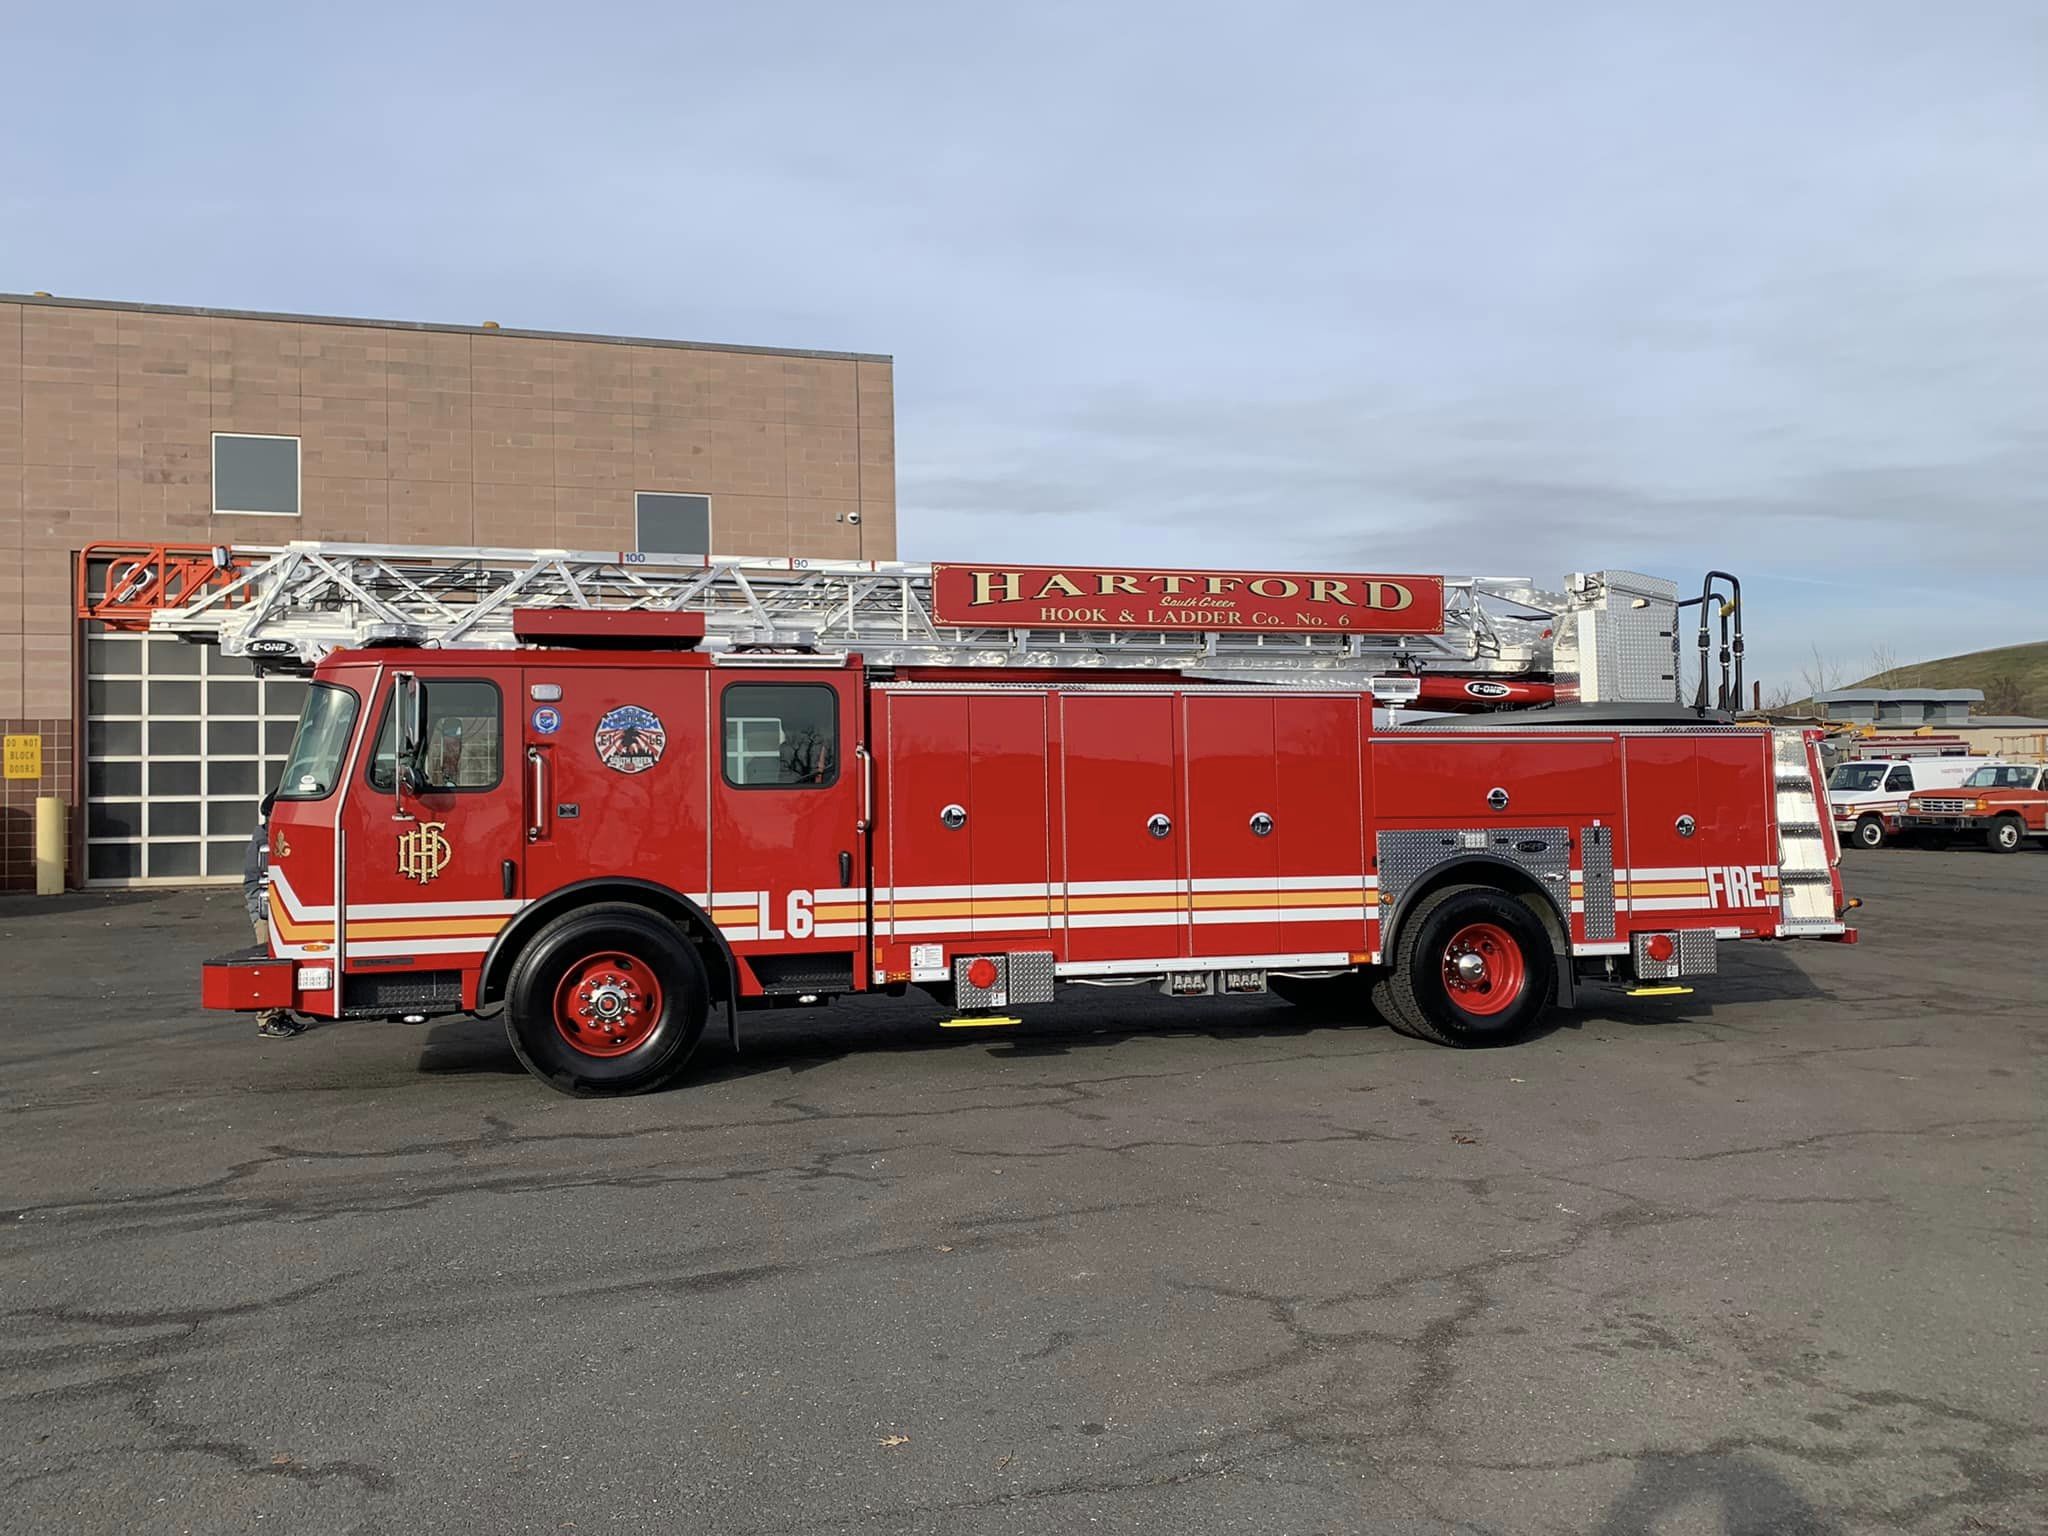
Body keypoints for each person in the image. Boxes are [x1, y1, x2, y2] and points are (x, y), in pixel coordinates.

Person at [245, 793, 304, 1038]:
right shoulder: (265, 843)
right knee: (269, 962)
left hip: (275, 905)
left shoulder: (271, 836)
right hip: (265, 908)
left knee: (281, 961)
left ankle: (280, 1014)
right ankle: (267, 1019)